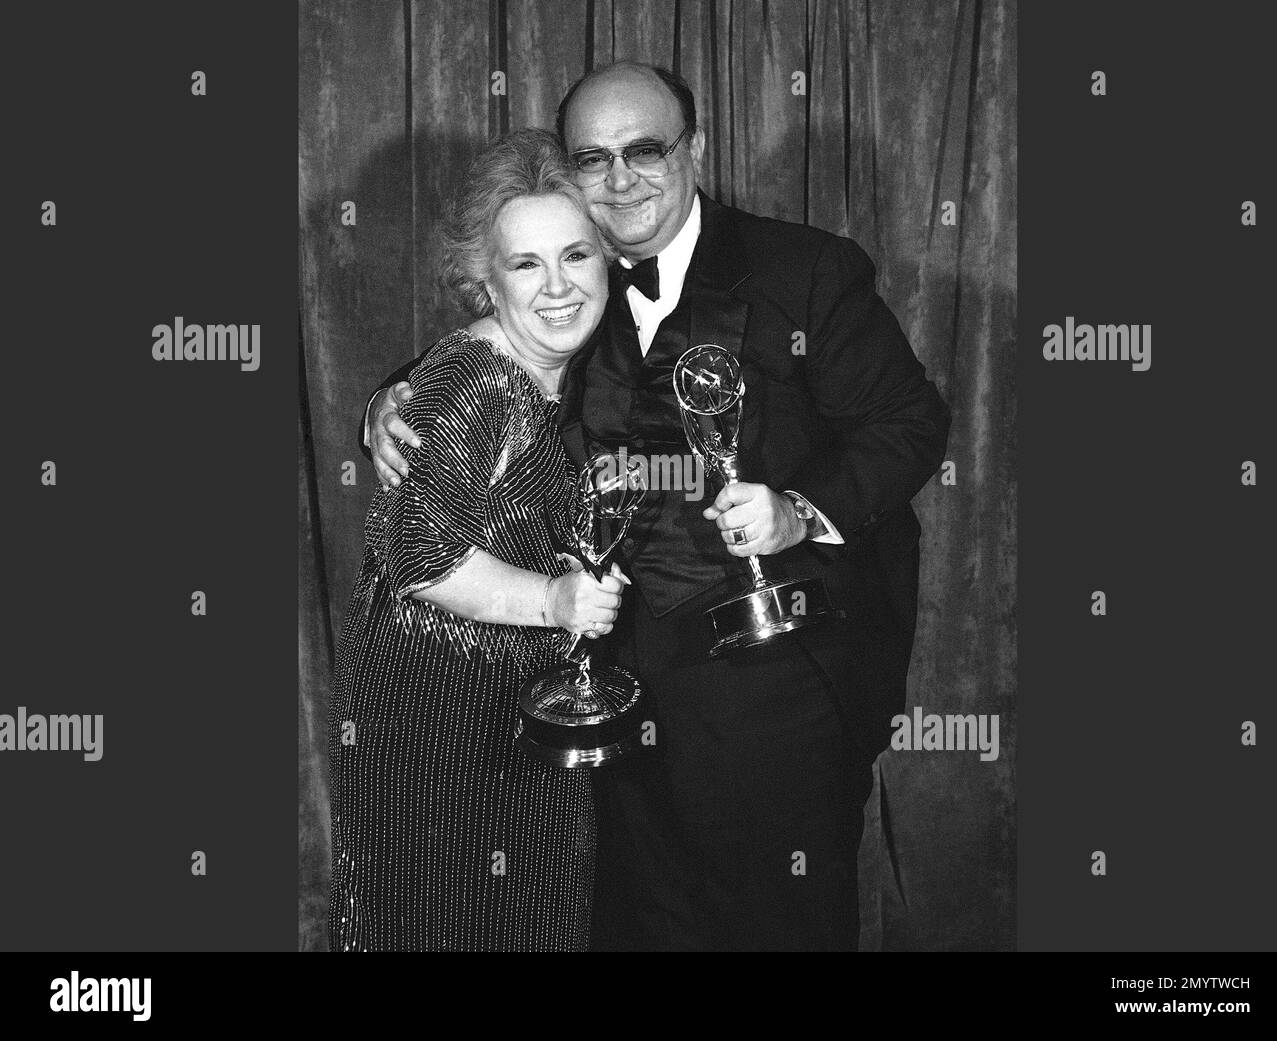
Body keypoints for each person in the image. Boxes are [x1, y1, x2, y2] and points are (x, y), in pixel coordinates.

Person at [365, 63, 951, 951]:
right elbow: (477, 362)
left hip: (776, 680)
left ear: (695, 151)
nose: (621, 179)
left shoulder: (804, 269)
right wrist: (381, 405)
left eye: (646, 150)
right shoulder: (575, 275)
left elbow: (910, 422)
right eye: (592, 159)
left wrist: (799, 508)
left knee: (780, 923)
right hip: (612, 680)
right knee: (632, 924)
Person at [328, 128, 628, 952]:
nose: (559, 286)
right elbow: (419, 556)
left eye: (577, 255)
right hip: (438, 714)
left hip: (512, 701)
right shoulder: (477, 378)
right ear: (482, 280)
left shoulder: (553, 373)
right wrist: (556, 598)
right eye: (527, 264)